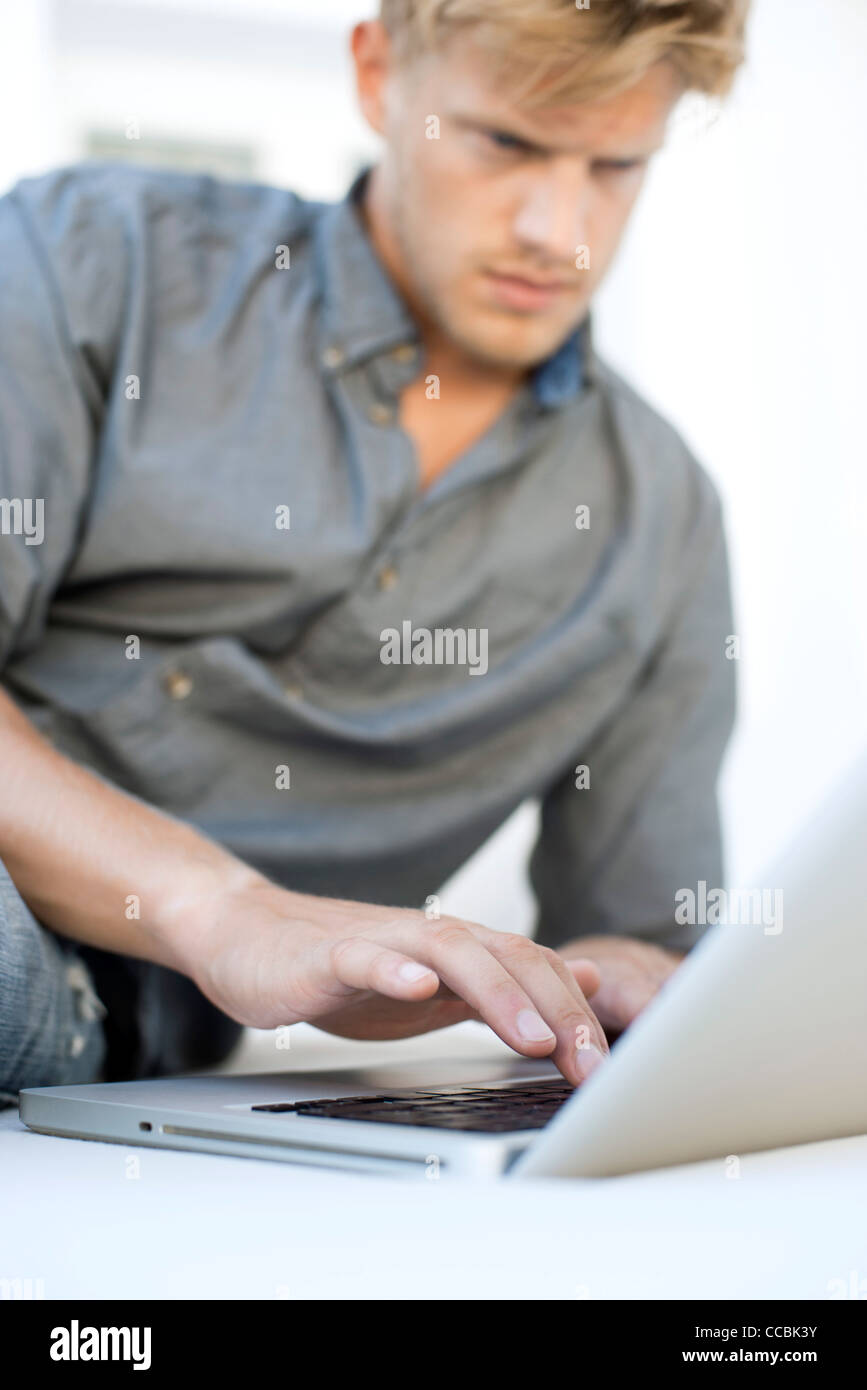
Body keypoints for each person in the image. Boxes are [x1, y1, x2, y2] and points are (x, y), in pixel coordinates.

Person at [0, 0, 747, 1103]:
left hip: (116, 1043)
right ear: (377, 72)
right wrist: (223, 909)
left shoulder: (659, 522)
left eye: (616, 165)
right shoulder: (93, 264)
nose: (559, 228)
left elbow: (639, 955)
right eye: (508, 143)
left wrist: (636, 976)